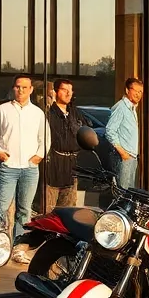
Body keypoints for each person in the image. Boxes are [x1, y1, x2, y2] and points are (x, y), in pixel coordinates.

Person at [0, 74, 46, 239]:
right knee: (0, 208)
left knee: (25, 210)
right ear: (13, 88)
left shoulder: (38, 113)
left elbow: (44, 138)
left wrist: (39, 155)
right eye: (17, 86)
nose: (20, 90)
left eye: (24, 87)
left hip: (30, 169)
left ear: (31, 90)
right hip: (8, 168)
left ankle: (19, 246)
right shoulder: (3, 110)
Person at [44, 78, 85, 207]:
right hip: (53, 165)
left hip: (72, 167)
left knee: (68, 211)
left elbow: (85, 131)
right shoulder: (48, 114)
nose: (68, 94)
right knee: (48, 210)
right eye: (64, 90)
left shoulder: (75, 113)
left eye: (70, 91)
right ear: (56, 92)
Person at [106, 77, 143, 189]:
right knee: (123, 192)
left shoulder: (132, 109)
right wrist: (122, 153)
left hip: (131, 156)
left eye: (140, 92)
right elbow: (110, 131)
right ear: (127, 90)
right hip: (124, 156)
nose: (138, 94)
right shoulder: (121, 107)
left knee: (130, 191)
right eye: (135, 91)